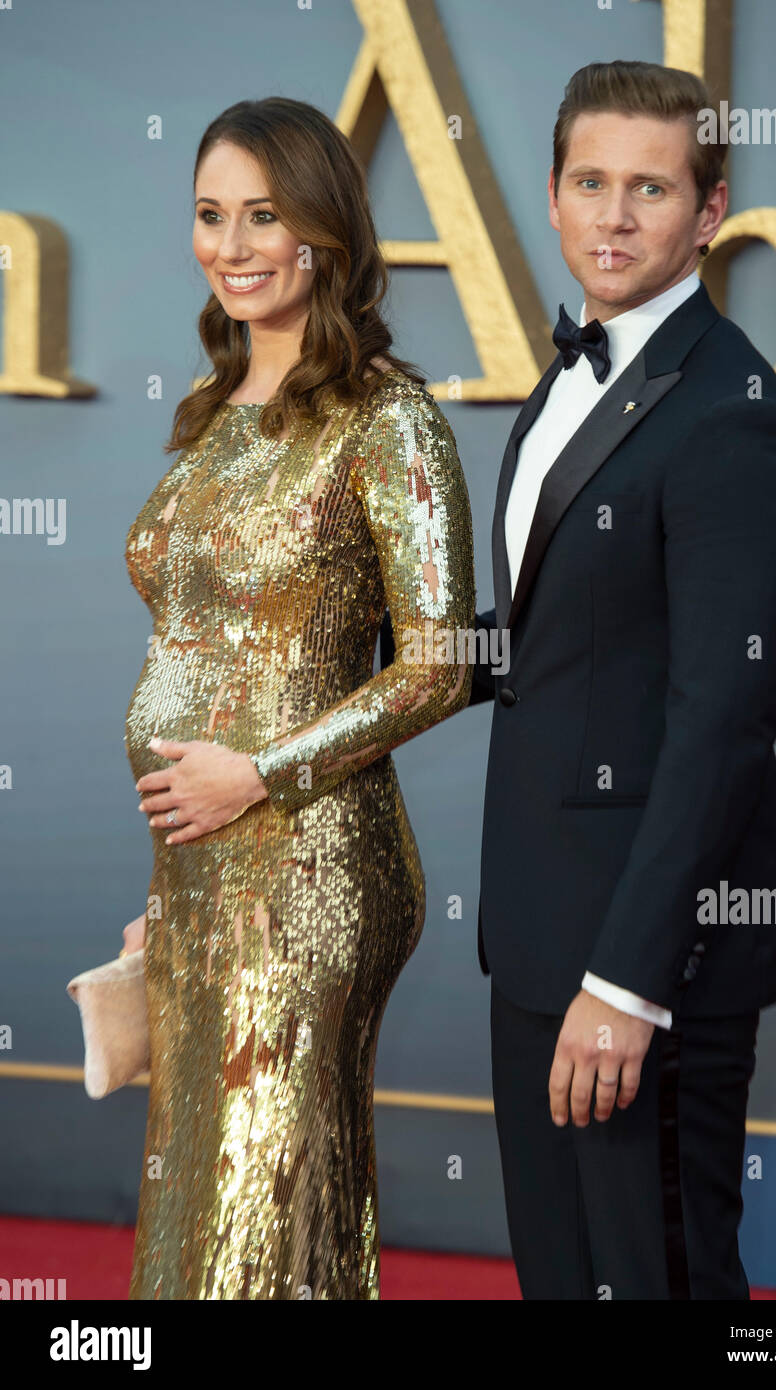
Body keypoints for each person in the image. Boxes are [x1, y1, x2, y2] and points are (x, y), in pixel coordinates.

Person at [466, 59, 776, 1299]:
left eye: (650, 189)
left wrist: (624, 986)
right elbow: (539, 636)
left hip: (643, 964)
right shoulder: (572, 378)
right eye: (590, 182)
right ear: (555, 197)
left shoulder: (734, 415)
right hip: (530, 934)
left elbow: (721, 721)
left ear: (710, 211)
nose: (613, 217)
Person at [121, 96, 475, 1300]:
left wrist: (261, 775)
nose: (231, 243)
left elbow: (443, 660)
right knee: (197, 1198)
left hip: (313, 870)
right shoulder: (213, 413)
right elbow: (198, 665)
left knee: (258, 1211)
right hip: (201, 868)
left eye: (263, 215)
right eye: (211, 215)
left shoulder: (388, 418)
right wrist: (164, 885)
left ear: (324, 229)